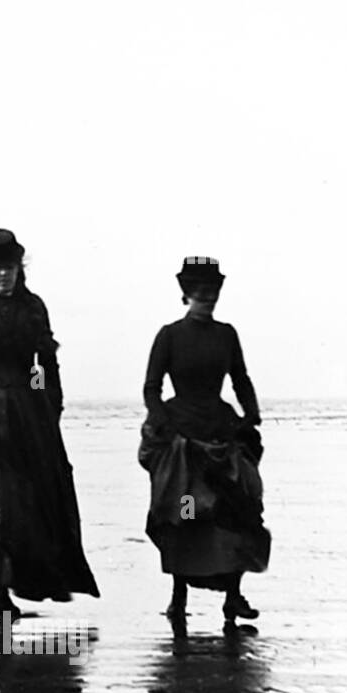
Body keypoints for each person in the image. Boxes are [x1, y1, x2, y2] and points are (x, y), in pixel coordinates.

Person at [0, 228, 99, 618]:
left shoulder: (34, 307)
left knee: (37, 501)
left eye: (8, 267)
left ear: (19, 267)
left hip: (30, 415)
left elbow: (44, 363)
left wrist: (49, 402)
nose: (2, 275)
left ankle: (39, 582)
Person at [140, 257, 270, 624]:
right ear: (186, 295)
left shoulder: (226, 334)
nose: (207, 299)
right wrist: (163, 423)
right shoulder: (169, 335)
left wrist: (251, 415)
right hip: (183, 444)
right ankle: (178, 596)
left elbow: (240, 379)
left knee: (237, 510)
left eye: (212, 293)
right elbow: (151, 387)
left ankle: (233, 596)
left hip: (221, 430)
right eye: (200, 293)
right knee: (186, 513)